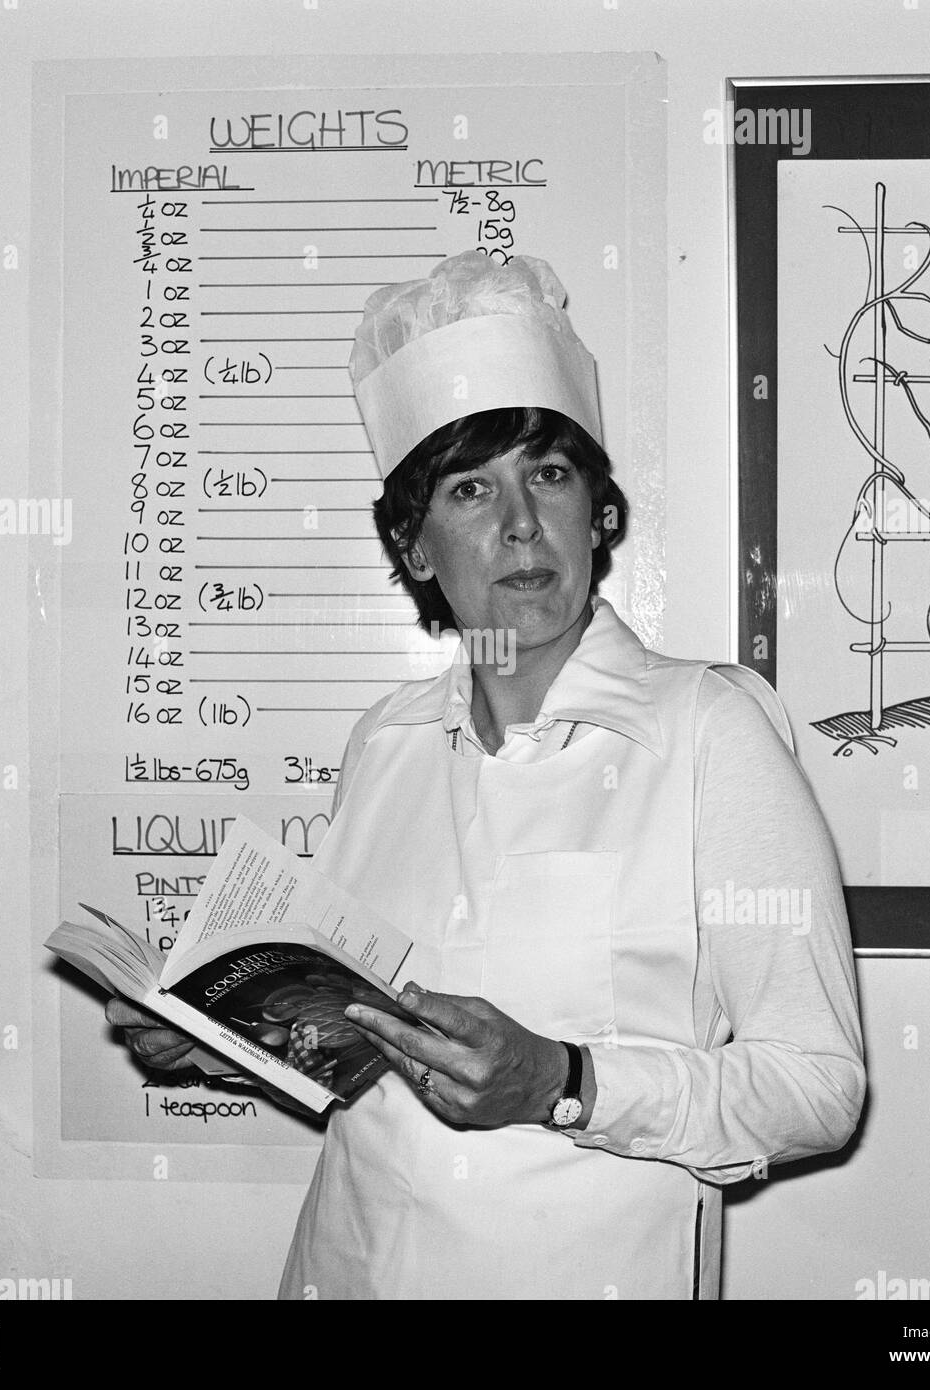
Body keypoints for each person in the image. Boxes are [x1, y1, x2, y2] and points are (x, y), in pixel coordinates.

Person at [107, 251, 866, 1299]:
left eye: (548, 475)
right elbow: (355, 1034)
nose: (521, 523)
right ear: (416, 549)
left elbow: (818, 1085)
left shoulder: (707, 730)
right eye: (471, 489)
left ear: (595, 511)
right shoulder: (384, 742)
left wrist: (566, 1082)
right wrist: (213, 1039)